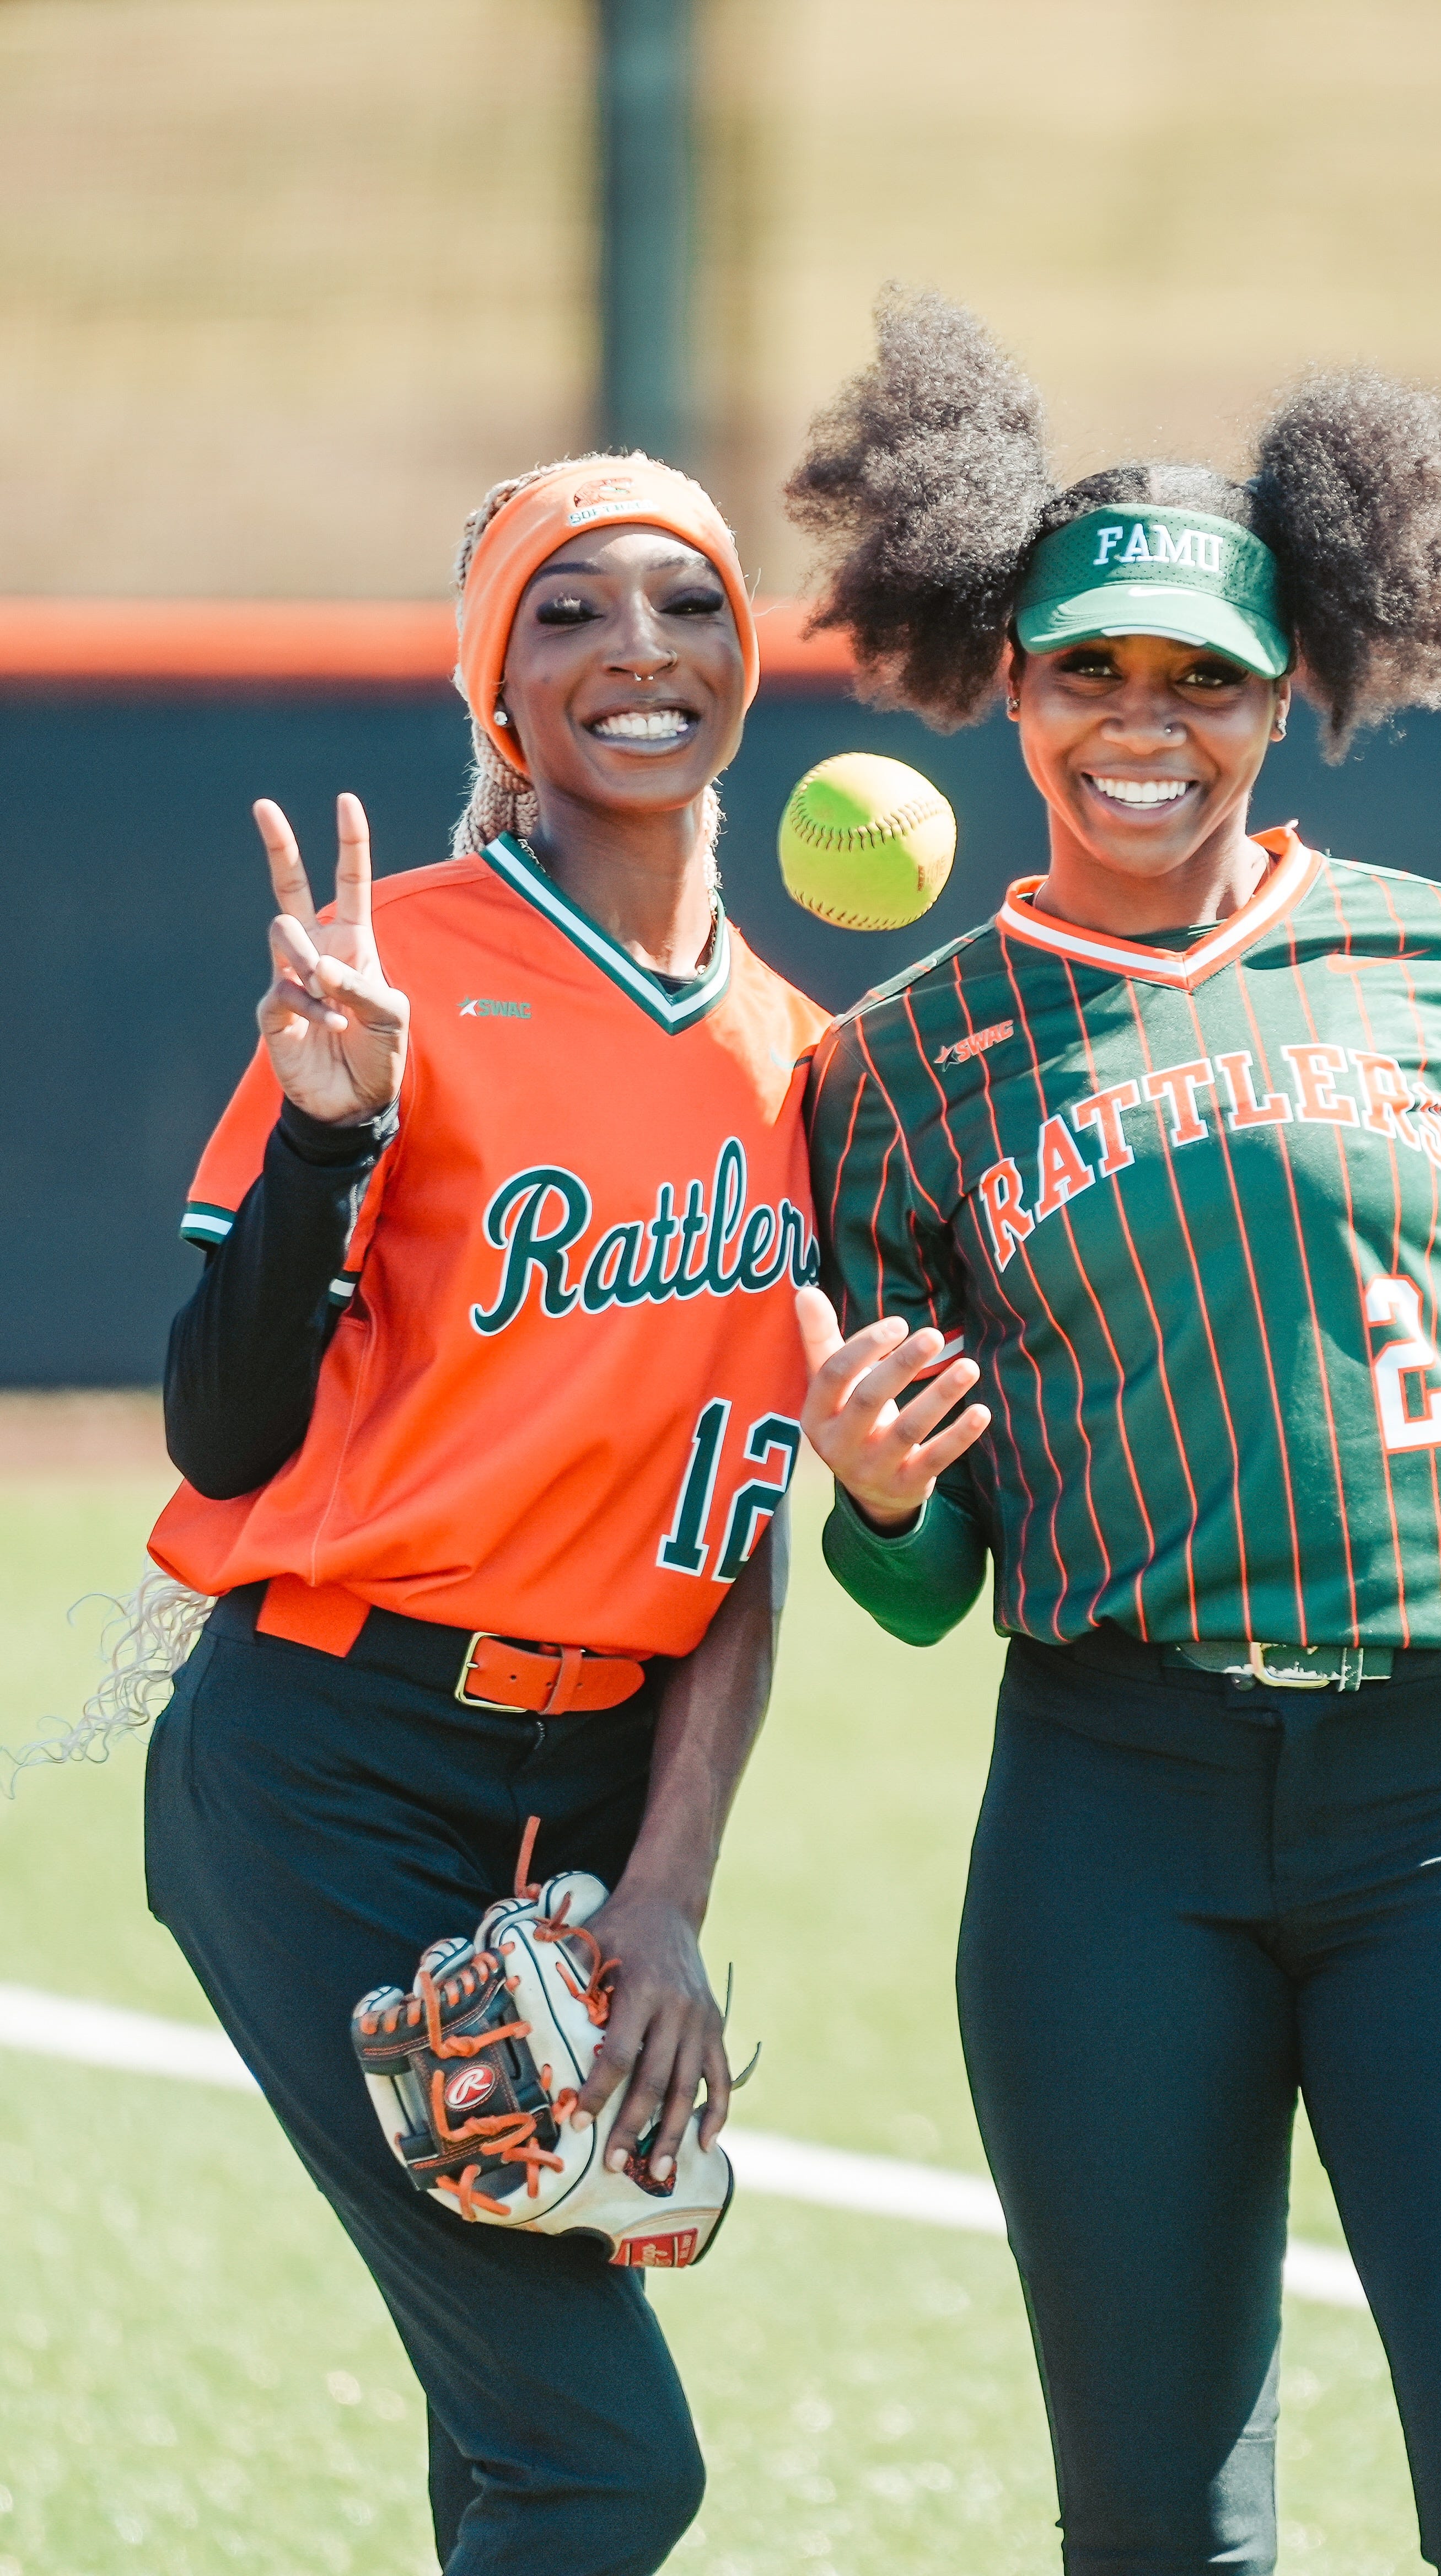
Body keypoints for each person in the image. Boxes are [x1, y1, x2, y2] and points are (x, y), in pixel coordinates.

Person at [789, 292, 1441, 2576]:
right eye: (1088, 671)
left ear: (1293, 685)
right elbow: (924, 1591)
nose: (1145, 723)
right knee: (1158, 2534)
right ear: (1002, 680)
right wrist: (873, 1494)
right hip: (1108, 1821)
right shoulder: (893, 1067)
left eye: (1203, 677)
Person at [138, 453, 825, 2576]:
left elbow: (741, 1529)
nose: (639, 651)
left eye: (687, 606)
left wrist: (671, 1893)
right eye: (570, 613)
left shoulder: (806, 1058)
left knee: (513, 2451)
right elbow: (220, 1436)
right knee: (602, 2462)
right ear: (496, 702)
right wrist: (334, 1134)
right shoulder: (387, 972)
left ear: (744, 664)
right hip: (327, 1768)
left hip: (598, 1798)